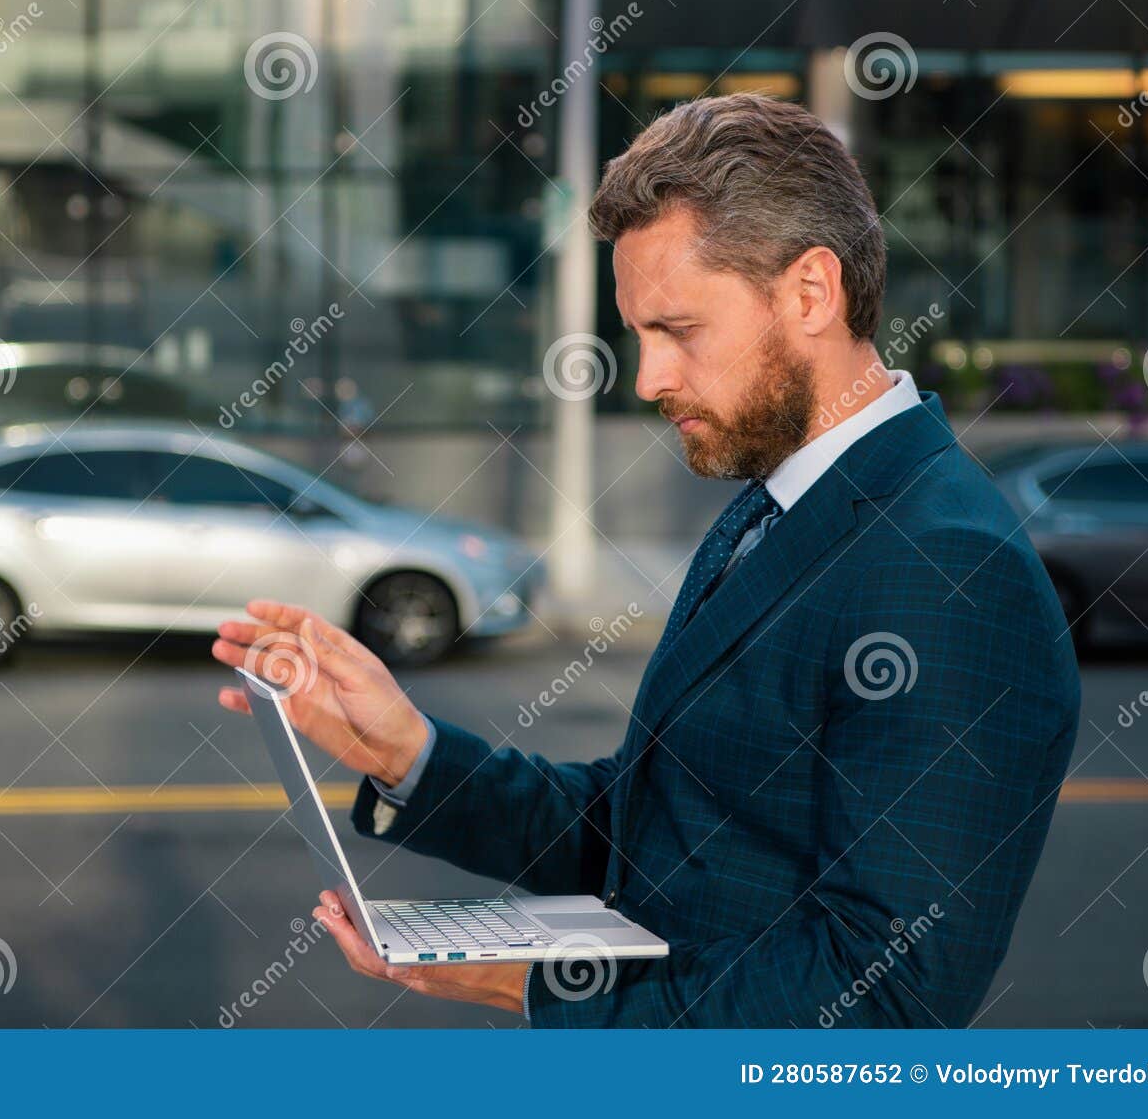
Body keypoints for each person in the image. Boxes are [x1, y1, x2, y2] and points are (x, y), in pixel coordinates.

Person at [212, 93, 1080, 1027]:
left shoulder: (947, 567)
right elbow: (646, 828)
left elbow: (886, 1005)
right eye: (638, 334)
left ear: (811, 293)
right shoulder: (779, 501)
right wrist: (413, 754)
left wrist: (540, 984)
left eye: (678, 330)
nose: (647, 378)